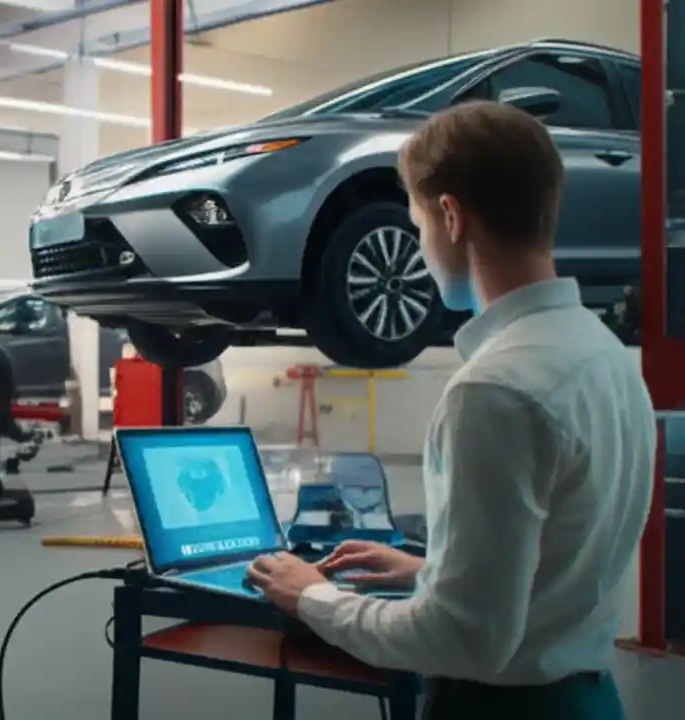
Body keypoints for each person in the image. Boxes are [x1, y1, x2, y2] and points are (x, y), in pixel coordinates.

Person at [245, 101, 654, 719]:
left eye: (416, 225)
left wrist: (314, 598)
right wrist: (430, 570)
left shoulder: (493, 390)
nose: (420, 247)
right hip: (589, 700)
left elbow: (466, 641)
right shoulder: (608, 358)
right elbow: (563, 561)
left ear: (451, 216)